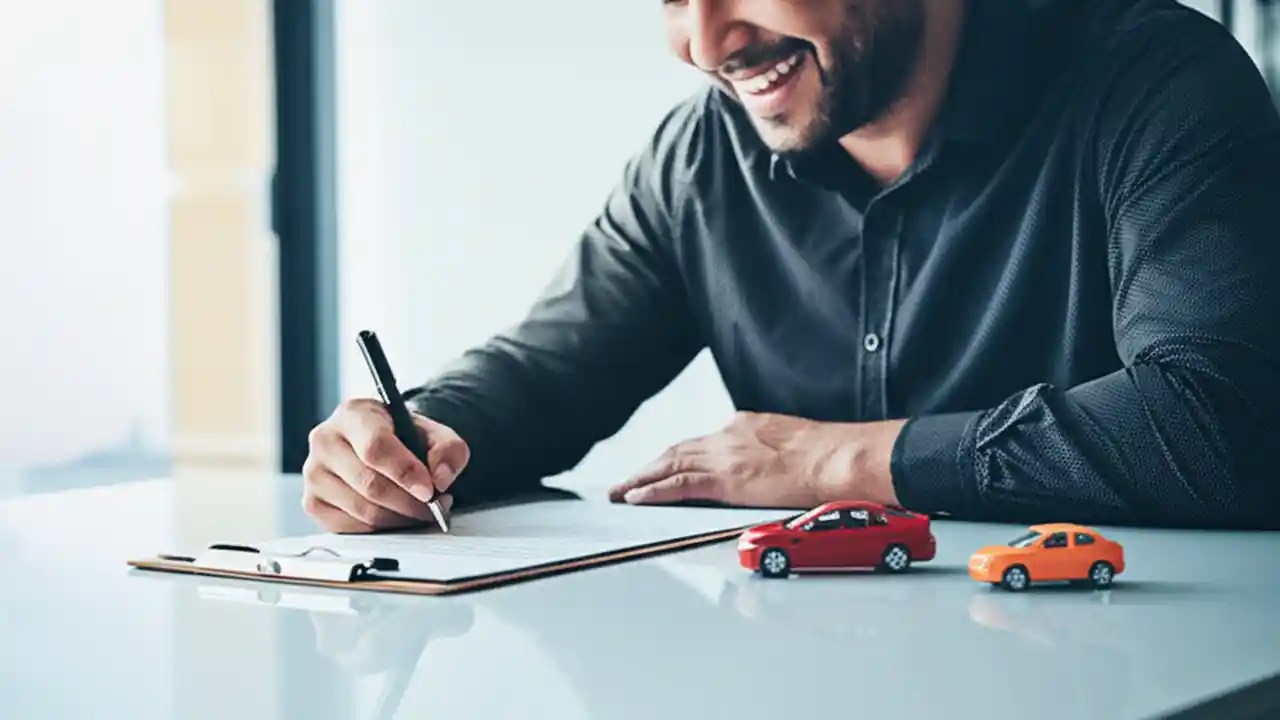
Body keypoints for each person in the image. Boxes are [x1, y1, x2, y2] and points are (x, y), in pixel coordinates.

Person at [301, 0, 1280, 534]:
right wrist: (411, 437)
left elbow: (1222, 424)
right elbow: (546, 373)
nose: (703, 41)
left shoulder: (1154, 83)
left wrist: (834, 460)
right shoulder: (701, 157)